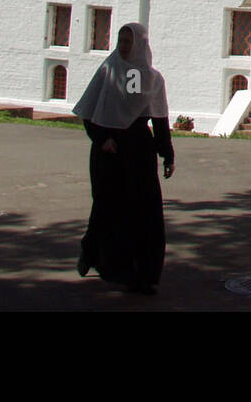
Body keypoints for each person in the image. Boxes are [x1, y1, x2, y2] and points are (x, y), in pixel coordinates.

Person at [72, 21, 175, 294]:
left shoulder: (153, 79)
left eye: (129, 41)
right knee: (107, 208)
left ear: (140, 44)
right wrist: (102, 139)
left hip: (139, 151)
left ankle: (143, 274)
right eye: (121, 40)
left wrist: (167, 154)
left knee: (144, 212)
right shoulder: (108, 70)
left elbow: (160, 120)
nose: (124, 46)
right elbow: (87, 111)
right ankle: (93, 252)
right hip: (109, 151)